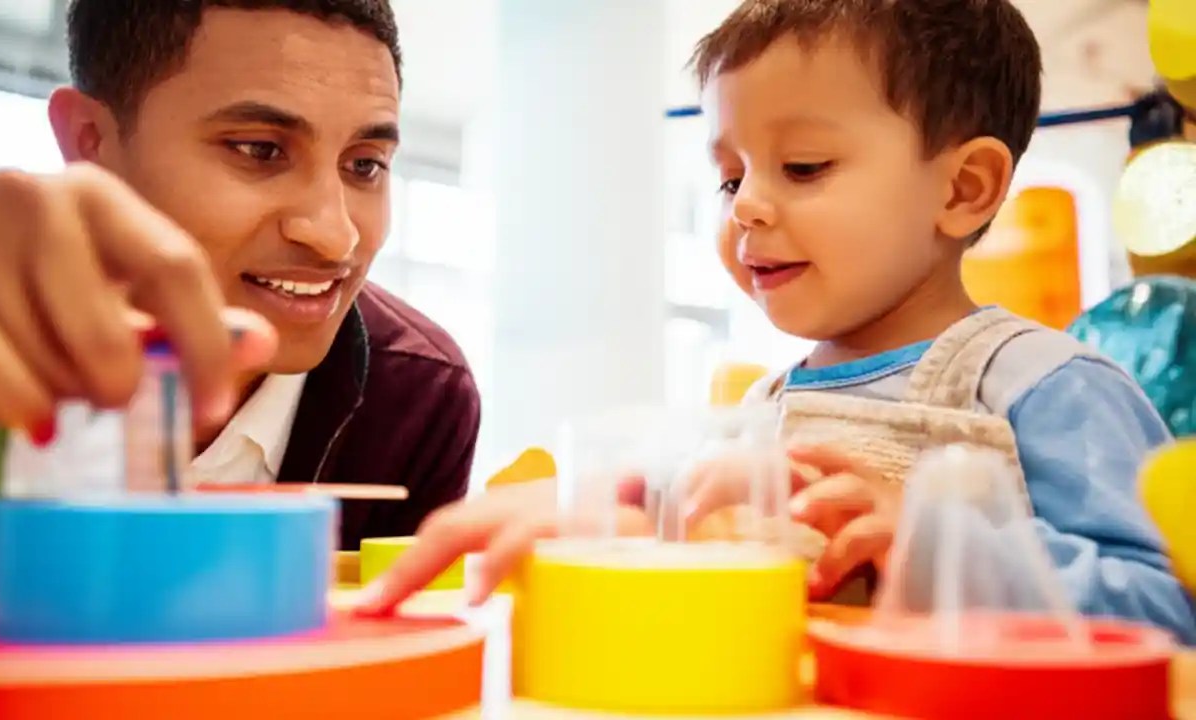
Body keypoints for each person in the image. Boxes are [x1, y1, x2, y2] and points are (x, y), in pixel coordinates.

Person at [357, 0, 1196, 643]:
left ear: (963, 187)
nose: (748, 205)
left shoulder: (1045, 386)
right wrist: (606, 515)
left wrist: (953, 548)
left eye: (803, 167)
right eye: (729, 179)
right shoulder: (758, 414)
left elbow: (1169, 612)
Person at [0, 0, 480, 556]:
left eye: (365, 165)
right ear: (91, 140)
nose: (336, 237)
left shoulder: (419, 397)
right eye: (260, 150)